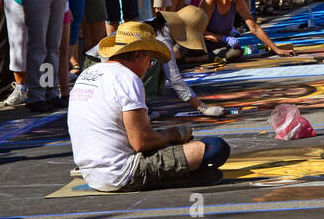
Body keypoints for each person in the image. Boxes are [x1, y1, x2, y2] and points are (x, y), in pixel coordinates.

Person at [68, 21, 230, 191]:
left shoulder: (88, 73)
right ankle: (171, 178)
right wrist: (175, 134)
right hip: (122, 173)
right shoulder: (127, 78)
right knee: (215, 147)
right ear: (138, 55)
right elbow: (141, 142)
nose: (149, 67)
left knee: (182, 150)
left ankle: (181, 174)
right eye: (150, 61)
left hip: (91, 173)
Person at [199, 0, 296, 59]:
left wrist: (276, 49)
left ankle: (213, 55)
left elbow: (254, 27)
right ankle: (196, 59)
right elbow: (200, 31)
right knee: (232, 53)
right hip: (203, 44)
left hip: (222, 46)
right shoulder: (210, 0)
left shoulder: (238, 2)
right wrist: (224, 38)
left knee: (239, 52)